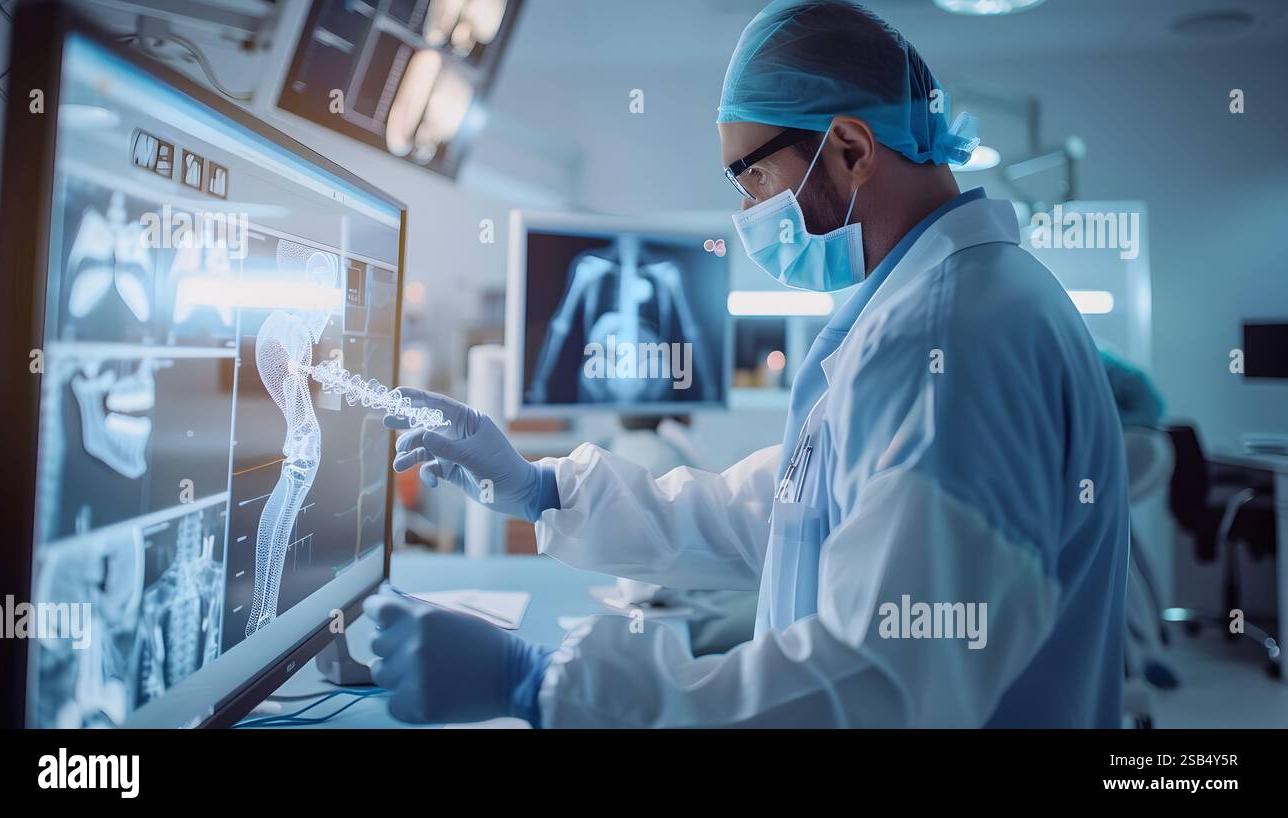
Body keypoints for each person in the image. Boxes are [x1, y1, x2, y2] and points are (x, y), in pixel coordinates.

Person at [363, 0, 1129, 728]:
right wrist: (541, 488)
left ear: (852, 149)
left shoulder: (951, 339)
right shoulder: (937, 309)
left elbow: (884, 680)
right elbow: (777, 515)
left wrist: (543, 686)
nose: (750, 213)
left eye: (753, 177)